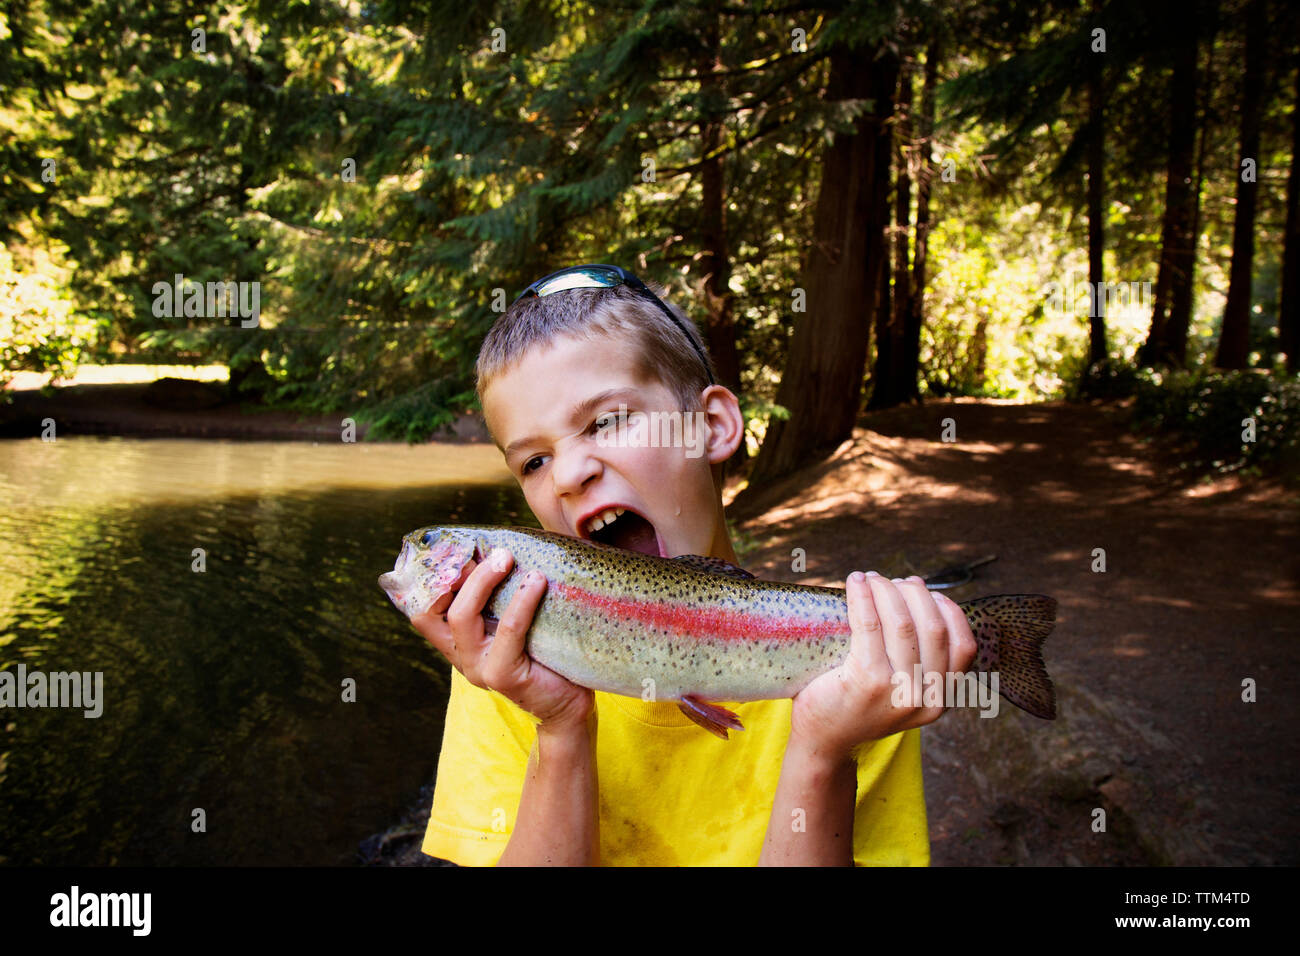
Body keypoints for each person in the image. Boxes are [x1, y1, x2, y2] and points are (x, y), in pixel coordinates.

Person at [409, 264, 977, 865]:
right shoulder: (503, 678)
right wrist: (560, 726)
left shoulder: (864, 666)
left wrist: (821, 751)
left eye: (606, 421)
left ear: (711, 427)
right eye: (532, 463)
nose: (569, 476)